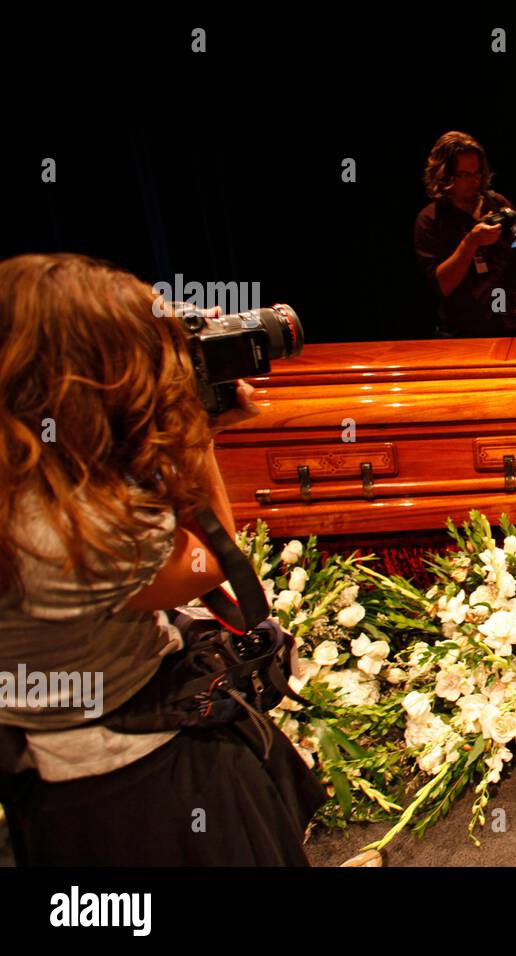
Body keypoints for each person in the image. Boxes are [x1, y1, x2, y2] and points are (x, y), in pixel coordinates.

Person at [0, 253, 324, 864]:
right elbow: (206, 561)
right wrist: (194, 427)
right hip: (137, 779)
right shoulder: (66, 530)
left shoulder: (28, 471)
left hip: (47, 760)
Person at [413, 131, 516, 338]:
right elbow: (443, 285)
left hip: (512, 327)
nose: (475, 181)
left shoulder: (497, 204)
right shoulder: (431, 219)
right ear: (445, 176)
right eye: (465, 175)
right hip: (461, 334)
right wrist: (470, 243)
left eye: (478, 173)